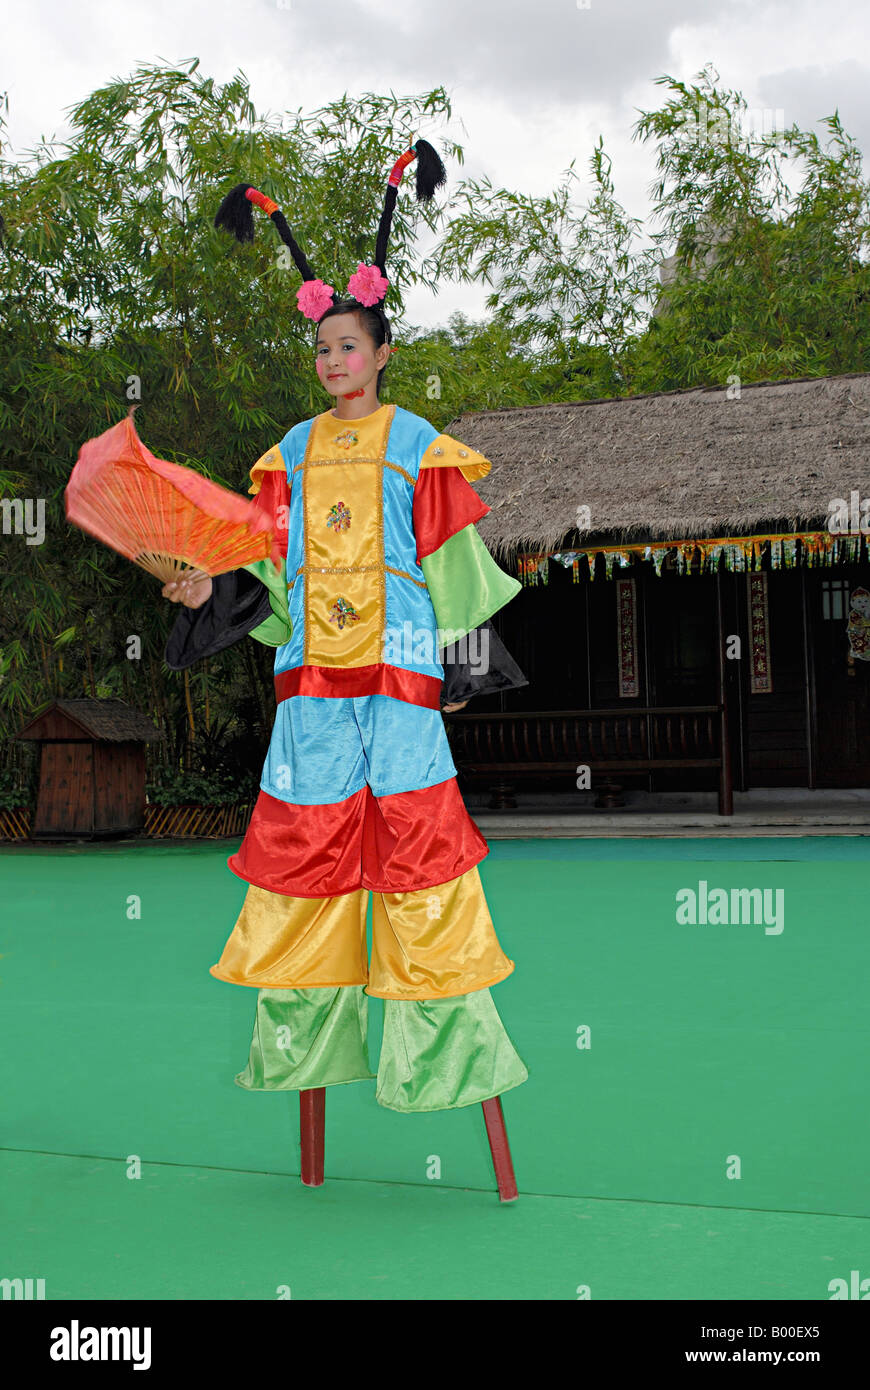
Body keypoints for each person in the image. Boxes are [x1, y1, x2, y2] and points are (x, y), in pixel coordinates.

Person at [161, 141, 530, 1117]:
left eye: (350, 346)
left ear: (382, 351)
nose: (334, 361)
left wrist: (464, 662)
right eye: (323, 349)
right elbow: (270, 566)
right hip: (313, 695)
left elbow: (451, 562)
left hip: (399, 687)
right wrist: (212, 592)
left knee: (421, 873)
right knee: (302, 869)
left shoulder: (417, 445)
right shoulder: (287, 453)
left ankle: (446, 1071)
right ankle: (304, 1061)